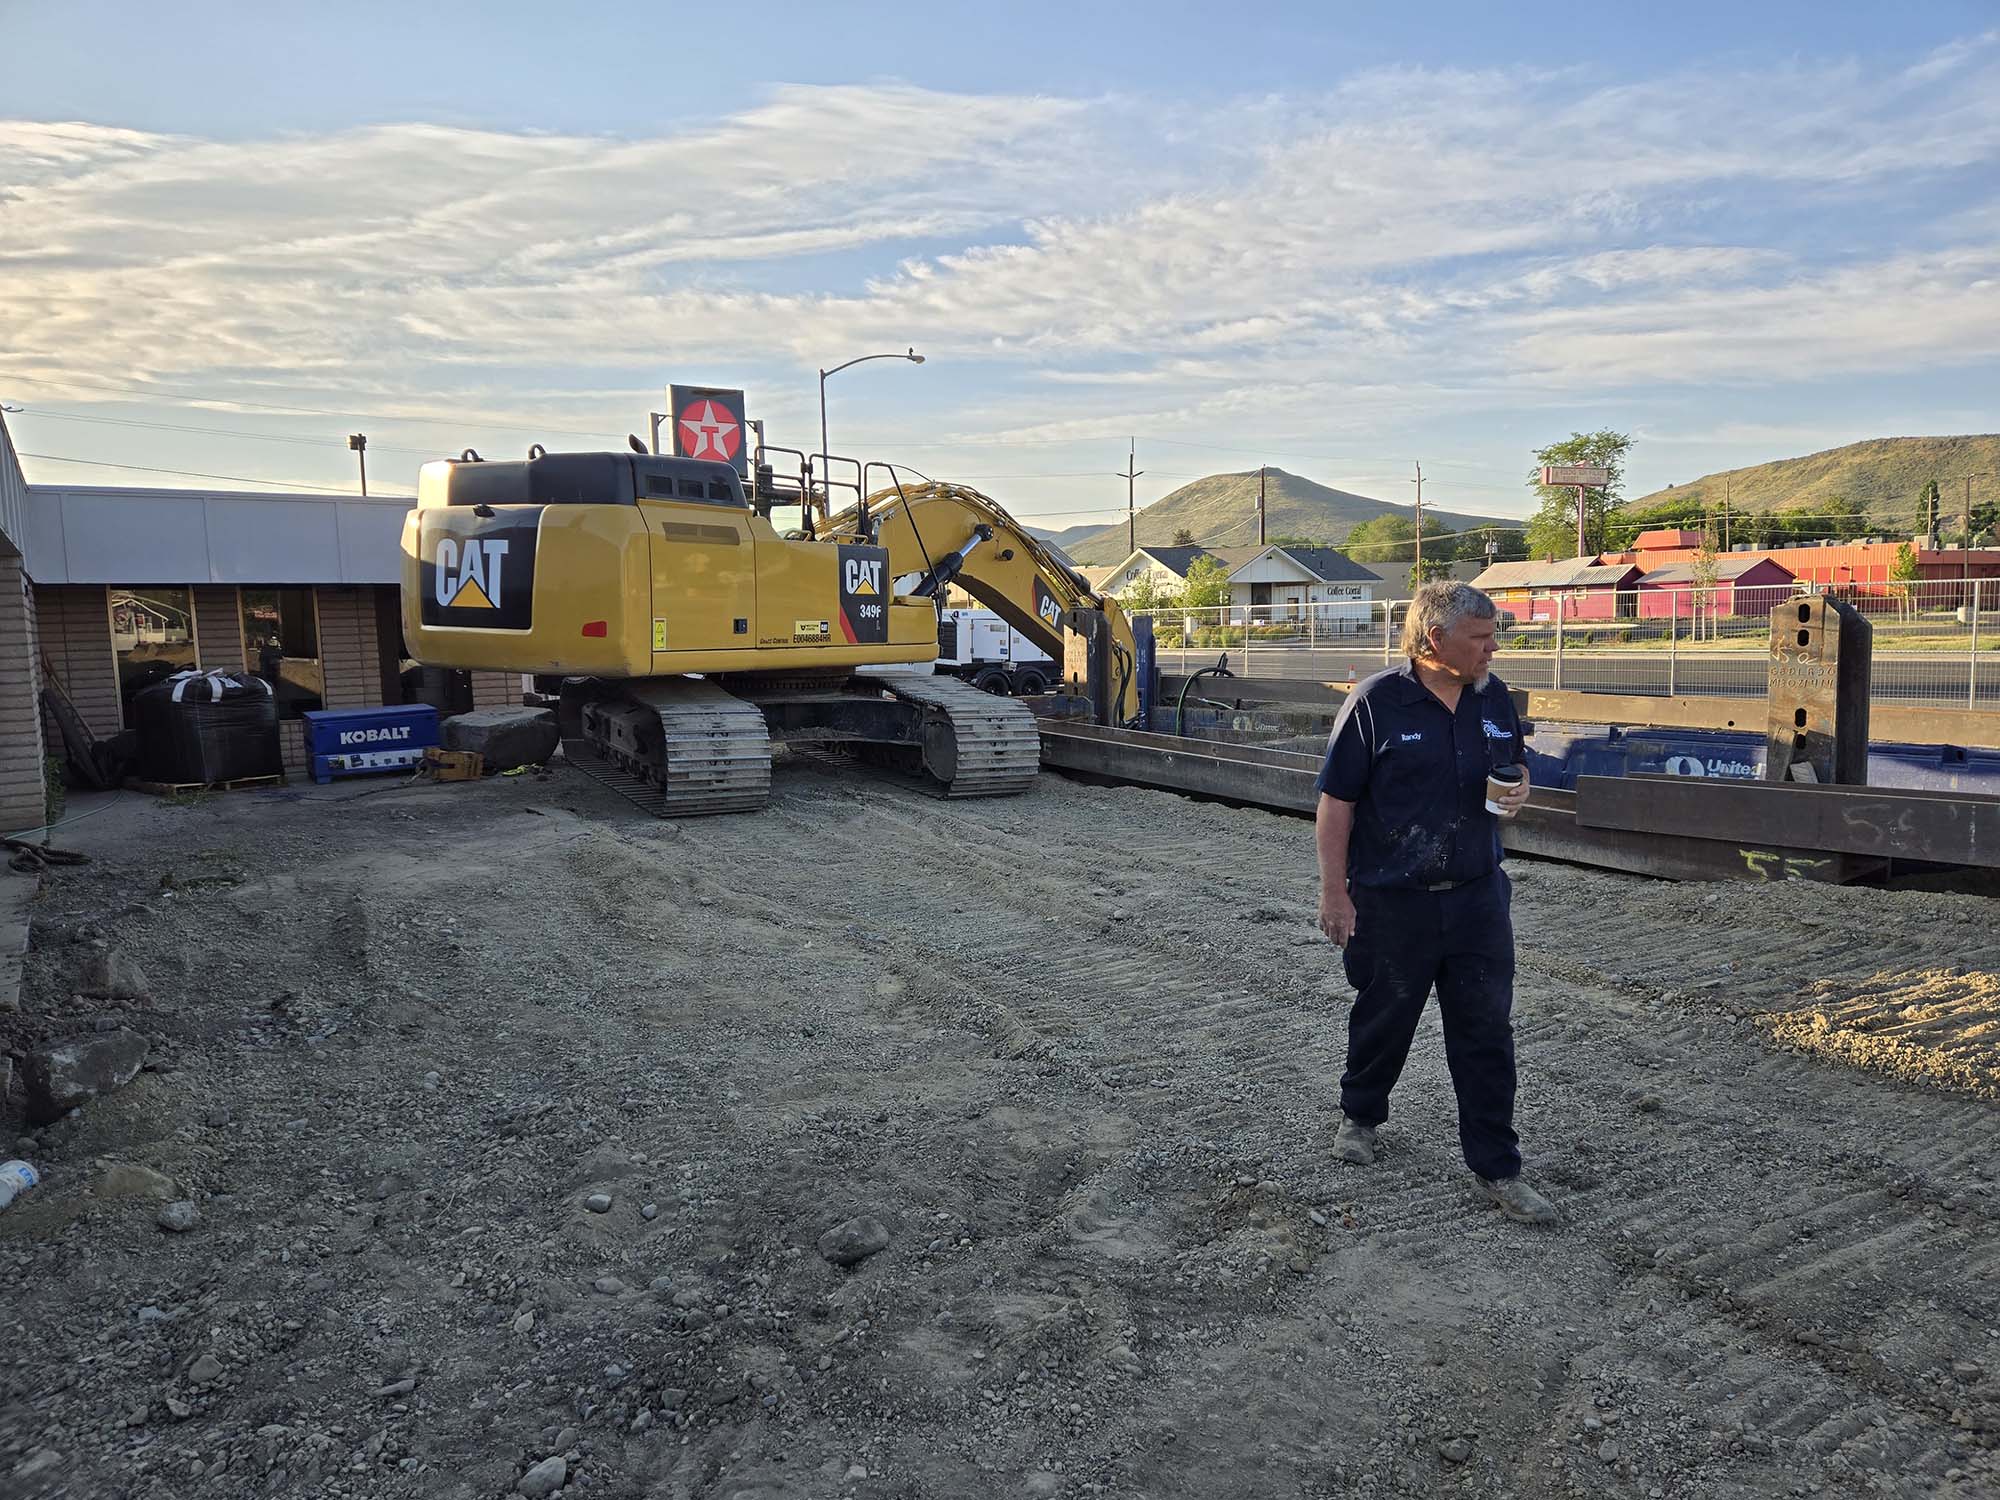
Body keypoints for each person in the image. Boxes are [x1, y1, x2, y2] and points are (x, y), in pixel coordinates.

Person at [1313, 580, 1555, 1224]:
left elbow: (1513, 768)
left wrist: (1519, 789)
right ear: (1432, 639)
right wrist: (1334, 892)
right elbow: (1336, 803)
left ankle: (1498, 1168)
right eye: (1479, 639)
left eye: (1492, 636)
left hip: (1477, 897)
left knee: (1485, 1031)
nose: (1491, 650)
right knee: (1384, 1014)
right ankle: (1361, 1115)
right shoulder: (1376, 705)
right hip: (1393, 900)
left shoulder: (1494, 697)